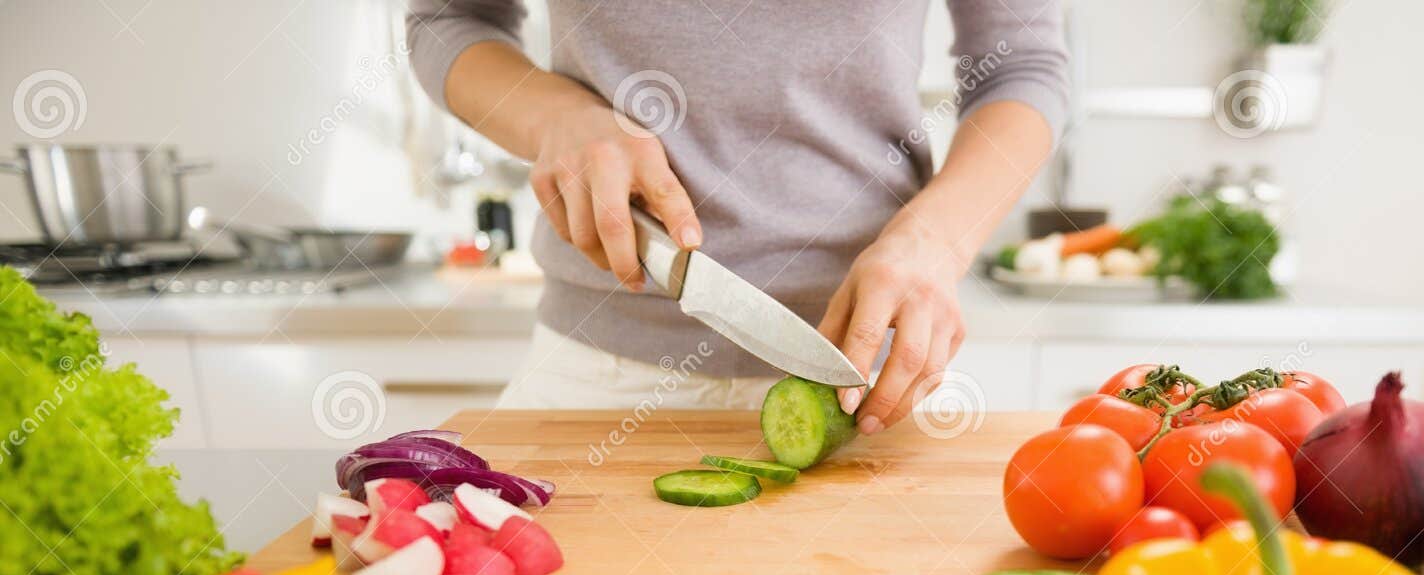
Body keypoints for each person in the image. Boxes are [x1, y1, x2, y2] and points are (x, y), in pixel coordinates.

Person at [407, 1, 1068, 433]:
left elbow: (1023, 64)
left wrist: (936, 242)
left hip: (869, 384)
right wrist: (556, 117)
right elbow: (448, 18)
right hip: (594, 375)